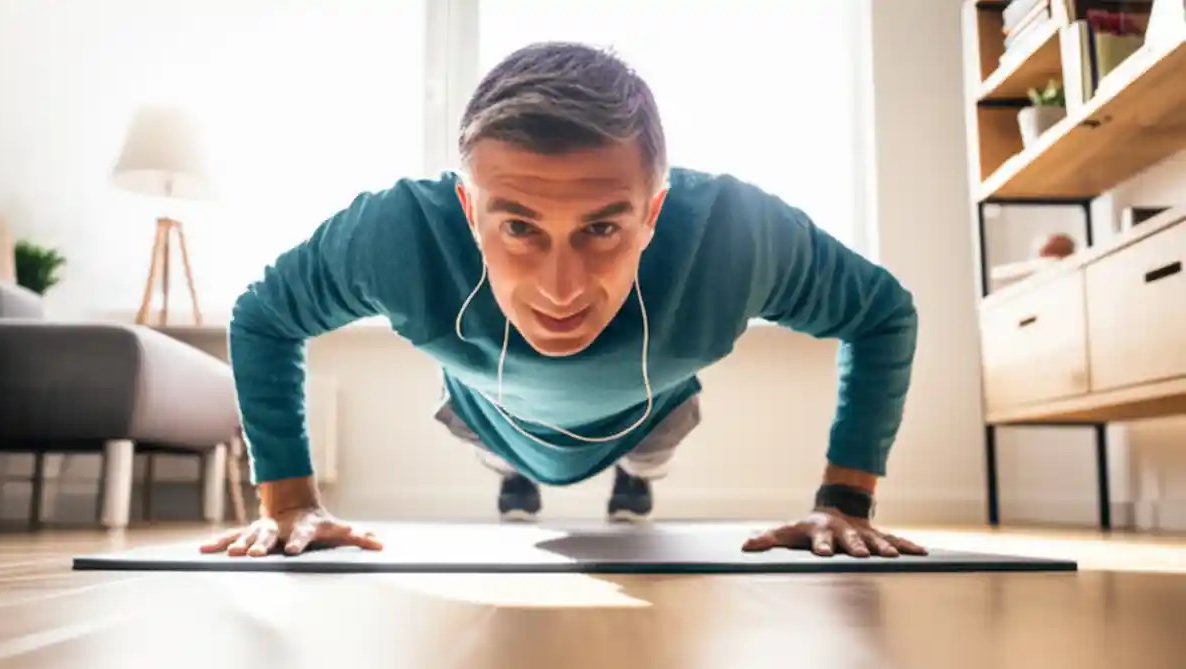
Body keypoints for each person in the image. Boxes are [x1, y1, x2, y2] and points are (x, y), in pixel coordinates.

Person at [200, 41, 927, 560]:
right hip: (491, 415)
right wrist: (288, 503)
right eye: (519, 227)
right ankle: (514, 467)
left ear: (653, 212)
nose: (561, 289)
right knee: (502, 452)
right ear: (468, 210)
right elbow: (263, 318)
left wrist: (846, 502)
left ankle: (633, 475)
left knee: (650, 454)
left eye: (602, 228)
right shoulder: (393, 234)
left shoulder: (738, 235)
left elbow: (882, 313)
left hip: (649, 413)